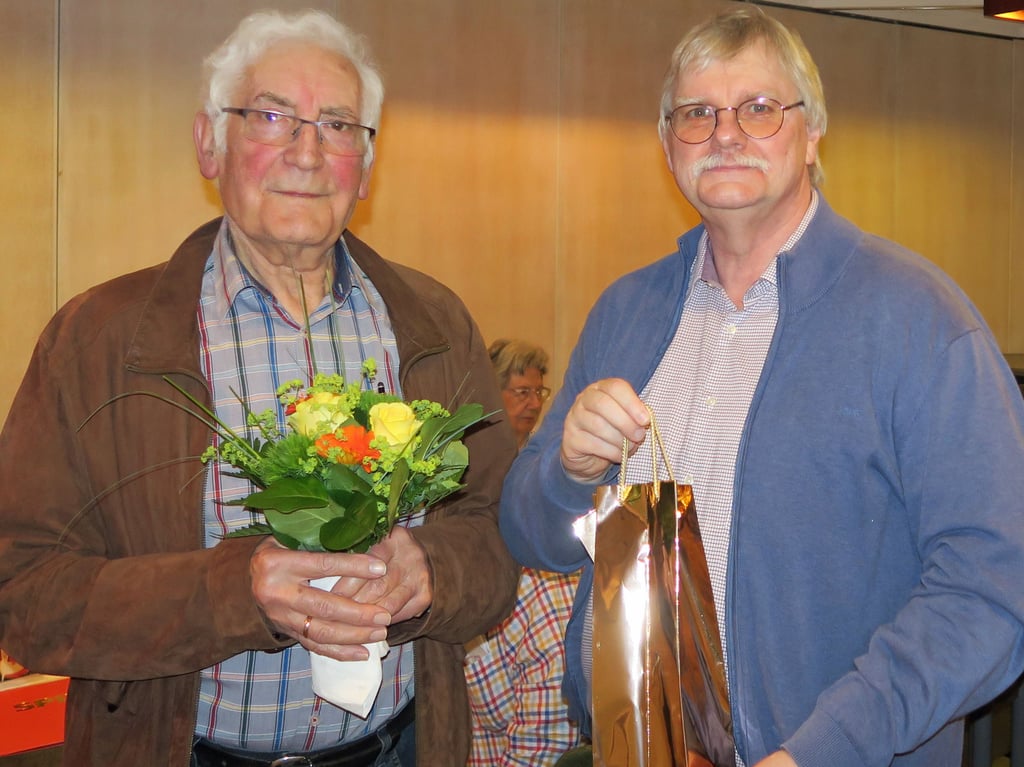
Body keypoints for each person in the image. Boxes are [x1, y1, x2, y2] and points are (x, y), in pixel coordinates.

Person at [499, 7, 1024, 767]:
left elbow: (993, 590)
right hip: (632, 750)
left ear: (813, 133)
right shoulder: (626, 313)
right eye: (696, 114)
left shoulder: (918, 321)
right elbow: (525, 531)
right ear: (665, 144)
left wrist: (822, 751)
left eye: (758, 108)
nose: (725, 134)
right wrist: (566, 473)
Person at [0, 9, 519, 767]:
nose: (308, 152)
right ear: (209, 143)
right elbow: (26, 592)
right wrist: (235, 591)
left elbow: (500, 537)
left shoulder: (432, 324)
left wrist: (432, 571)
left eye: (339, 125)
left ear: (367, 165)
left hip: (399, 748)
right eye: (272, 116)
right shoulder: (96, 341)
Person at [464, 340, 581, 766]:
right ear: (493, 394)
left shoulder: (542, 461)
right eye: (521, 392)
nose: (534, 403)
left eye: (539, 392)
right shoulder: (466, 465)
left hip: (534, 597)